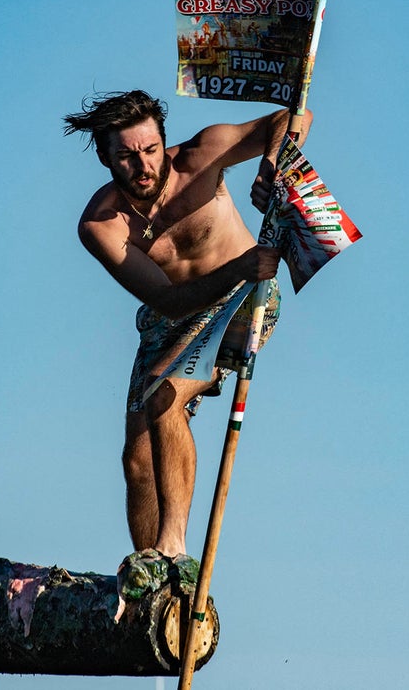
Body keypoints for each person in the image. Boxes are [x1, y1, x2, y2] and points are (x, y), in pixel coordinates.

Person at [64, 90, 311, 557]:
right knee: (137, 460)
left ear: (164, 142)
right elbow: (168, 301)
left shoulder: (203, 155)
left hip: (244, 299)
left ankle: (173, 545)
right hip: (172, 314)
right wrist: (241, 265)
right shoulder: (101, 225)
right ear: (105, 159)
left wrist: (272, 165)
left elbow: (292, 116)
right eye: (127, 157)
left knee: (164, 399)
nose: (144, 167)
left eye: (151, 150)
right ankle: (153, 571)